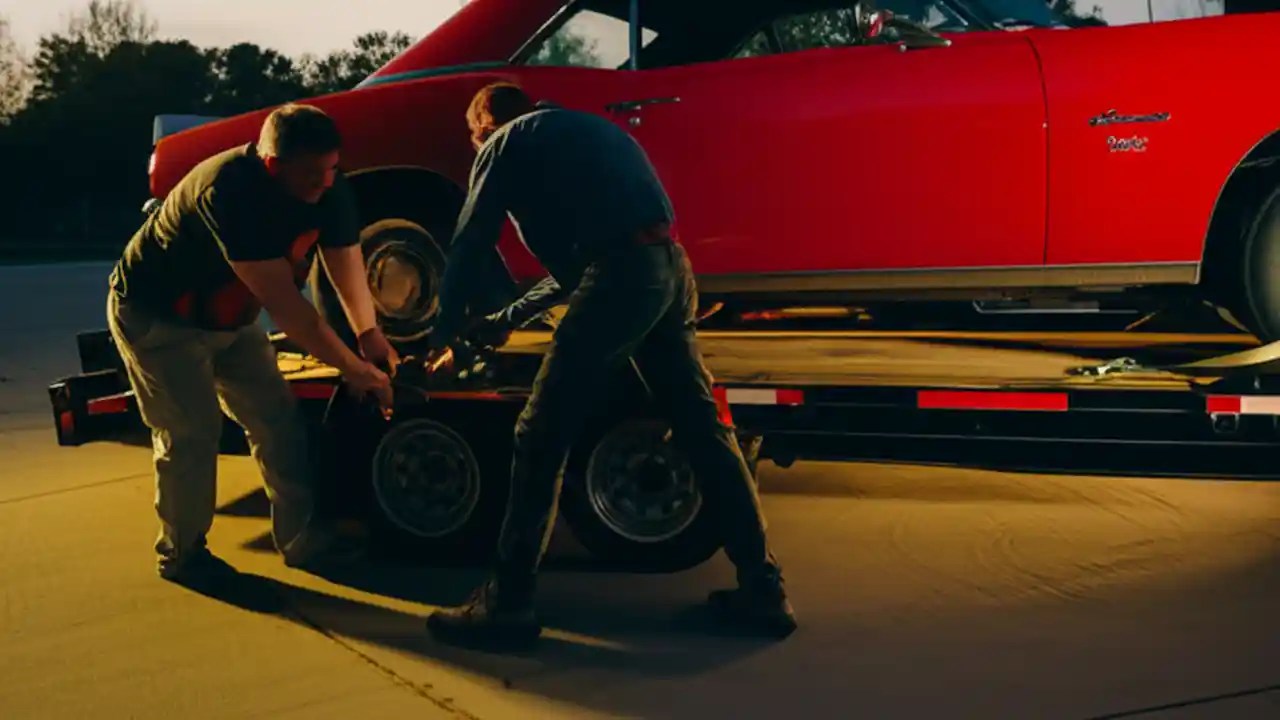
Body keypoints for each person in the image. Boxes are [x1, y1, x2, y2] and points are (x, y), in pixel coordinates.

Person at [422, 83, 797, 648]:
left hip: (625, 276)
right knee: (702, 426)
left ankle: (507, 604)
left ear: (483, 127)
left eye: (476, 143)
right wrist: (505, 317)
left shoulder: (504, 141)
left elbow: (471, 240)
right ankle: (763, 590)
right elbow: (585, 269)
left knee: (540, 433)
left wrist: (441, 336)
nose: (480, 153)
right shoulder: (586, 130)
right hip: (670, 268)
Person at [107, 103, 396, 582]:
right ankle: (182, 556)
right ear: (272, 166)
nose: (325, 183)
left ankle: (302, 539)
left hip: (230, 319)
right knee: (192, 432)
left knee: (277, 418)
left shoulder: (328, 183)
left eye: (331, 168)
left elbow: (344, 259)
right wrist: (357, 371)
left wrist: (368, 335)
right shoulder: (231, 192)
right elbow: (289, 309)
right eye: (312, 174)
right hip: (159, 320)